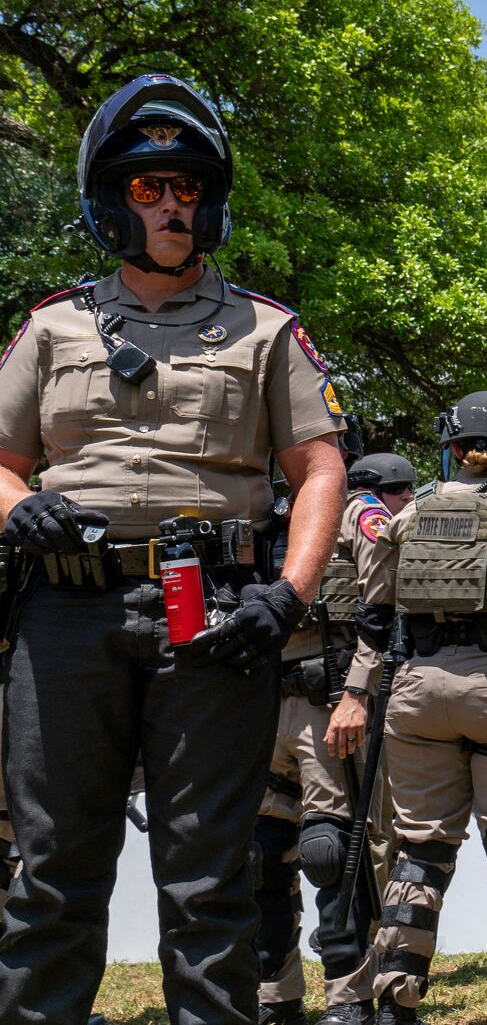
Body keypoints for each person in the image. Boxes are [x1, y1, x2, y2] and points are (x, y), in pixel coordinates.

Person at [0, 73, 348, 1024]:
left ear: (211, 200)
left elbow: (320, 468)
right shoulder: (51, 325)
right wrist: (15, 507)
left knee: (209, 882)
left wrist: (290, 595)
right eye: (148, 188)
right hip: (63, 618)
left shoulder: (269, 330)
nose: (169, 205)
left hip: (216, 619)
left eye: (185, 186)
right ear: (111, 199)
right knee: (51, 873)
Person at [327, 391, 487, 1025]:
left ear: (450, 448)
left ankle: (395, 1000)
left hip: (417, 693)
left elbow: (374, 614)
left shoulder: (407, 511)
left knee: (419, 850)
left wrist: (358, 692)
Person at [256, 448, 418, 1025]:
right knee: (261, 856)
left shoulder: (356, 510)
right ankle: (275, 996)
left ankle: (349, 997)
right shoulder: (253, 508)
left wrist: (359, 691)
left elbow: (387, 602)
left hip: (331, 702)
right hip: (260, 703)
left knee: (331, 850)